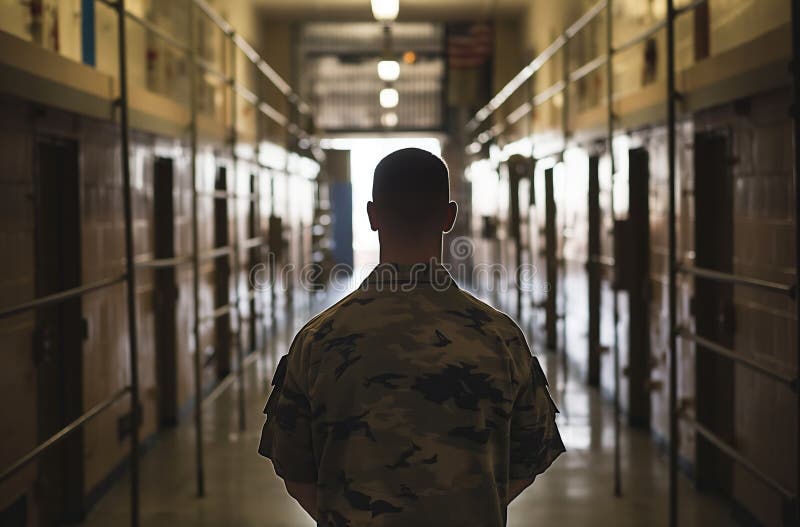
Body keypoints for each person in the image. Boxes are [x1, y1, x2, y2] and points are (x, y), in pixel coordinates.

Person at [258, 148, 565, 526]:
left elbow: (294, 468)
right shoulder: (499, 338)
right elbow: (529, 457)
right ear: (450, 217)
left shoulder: (319, 339)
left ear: (372, 216)